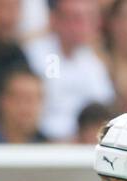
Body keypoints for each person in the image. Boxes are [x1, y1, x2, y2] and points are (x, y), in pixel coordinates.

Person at [22, 0, 114, 141]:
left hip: (83, 142)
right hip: (42, 140)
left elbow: (102, 104)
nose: (81, 26)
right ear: (56, 19)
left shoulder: (93, 61)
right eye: (74, 18)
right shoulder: (39, 53)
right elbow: (49, 102)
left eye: (87, 19)